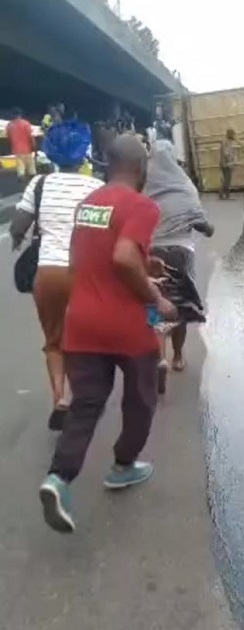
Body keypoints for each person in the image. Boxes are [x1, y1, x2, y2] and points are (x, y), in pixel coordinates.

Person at [38, 134, 176, 534]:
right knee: (141, 400)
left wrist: (145, 263)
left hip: (81, 321)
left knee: (85, 405)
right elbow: (121, 257)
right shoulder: (142, 205)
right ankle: (122, 466)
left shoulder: (88, 205)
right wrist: (156, 297)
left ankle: (58, 479)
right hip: (127, 325)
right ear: (140, 167)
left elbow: (93, 254)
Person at [9, 120, 103, 431]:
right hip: (84, 274)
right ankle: (83, 396)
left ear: (51, 154)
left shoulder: (39, 185)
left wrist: (22, 236)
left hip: (47, 274)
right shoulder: (96, 188)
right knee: (86, 339)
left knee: (54, 341)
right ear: (84, 156)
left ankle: (60, 397)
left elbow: (18, 227)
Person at [144, 139, 213, 392]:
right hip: (180, 253)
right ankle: (178, 355)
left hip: (151, 253)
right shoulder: (185, 186)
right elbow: (202, 224)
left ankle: (159, 356)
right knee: (179, 304)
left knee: (154, 303)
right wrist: (207, 227)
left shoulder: (144, 187)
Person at [7, 109, 36, 183]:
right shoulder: (26, 123)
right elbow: (30, 136)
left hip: (16, 148)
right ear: (20, 114)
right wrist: (34, 145)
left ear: (12, 115)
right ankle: (32, 176)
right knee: (30, 163)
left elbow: (9, 137)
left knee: (20, 164)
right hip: (27, 148)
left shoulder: (10, 125)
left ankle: (21, 175)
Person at [219, 129, 238, 200]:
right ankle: (222, 193)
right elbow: (226, 153)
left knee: (226, 179)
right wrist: (231, 160)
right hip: (226, 164)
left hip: (224, 163)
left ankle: (227, 194)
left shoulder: (225, 141)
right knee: (227, 180)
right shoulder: (226, 142)